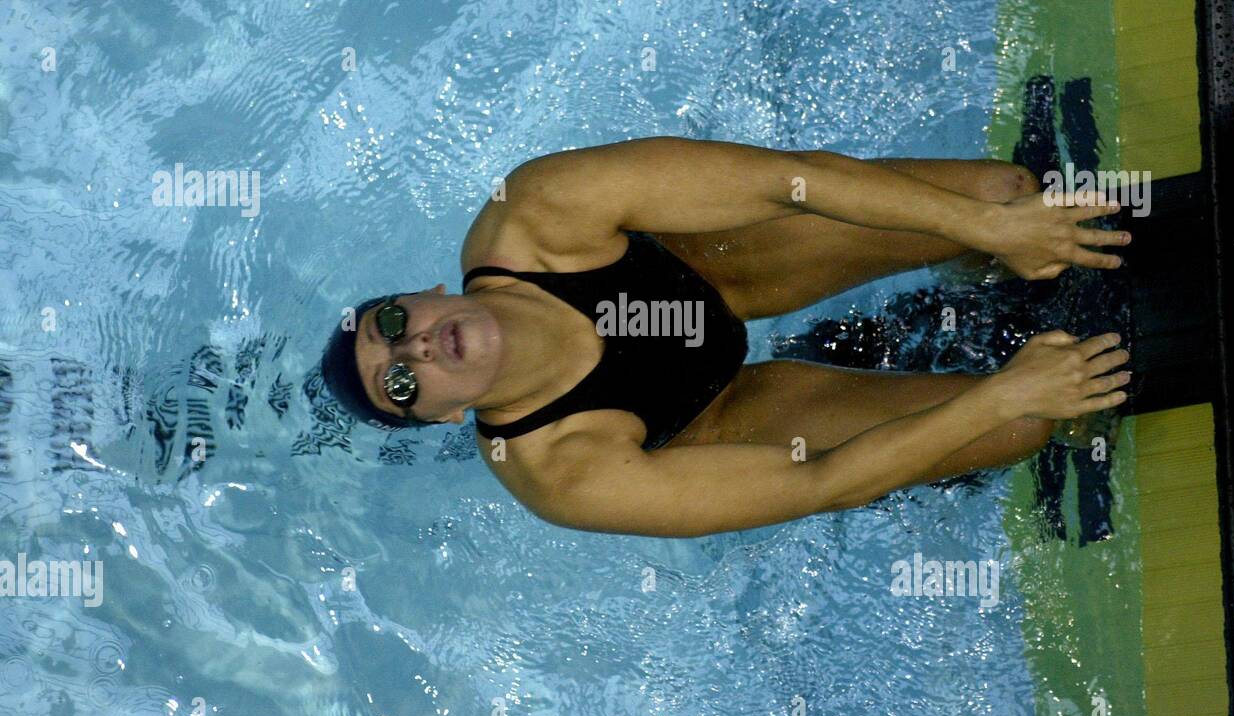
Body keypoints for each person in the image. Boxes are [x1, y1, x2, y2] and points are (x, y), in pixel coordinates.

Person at [320, 137, 1130, 537]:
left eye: (395, 323)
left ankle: (972, 269)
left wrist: (992, 227)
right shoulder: (562, 472)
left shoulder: (537, 210)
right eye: (402, 382)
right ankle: (952, 368)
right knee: (1029, 424)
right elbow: (825, 484)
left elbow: (790, 179)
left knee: (1007, 189)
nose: (417, 349)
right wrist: (1003, 392)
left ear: (422, 294)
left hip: (723, 272)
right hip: (723, 414)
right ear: (443, 420)